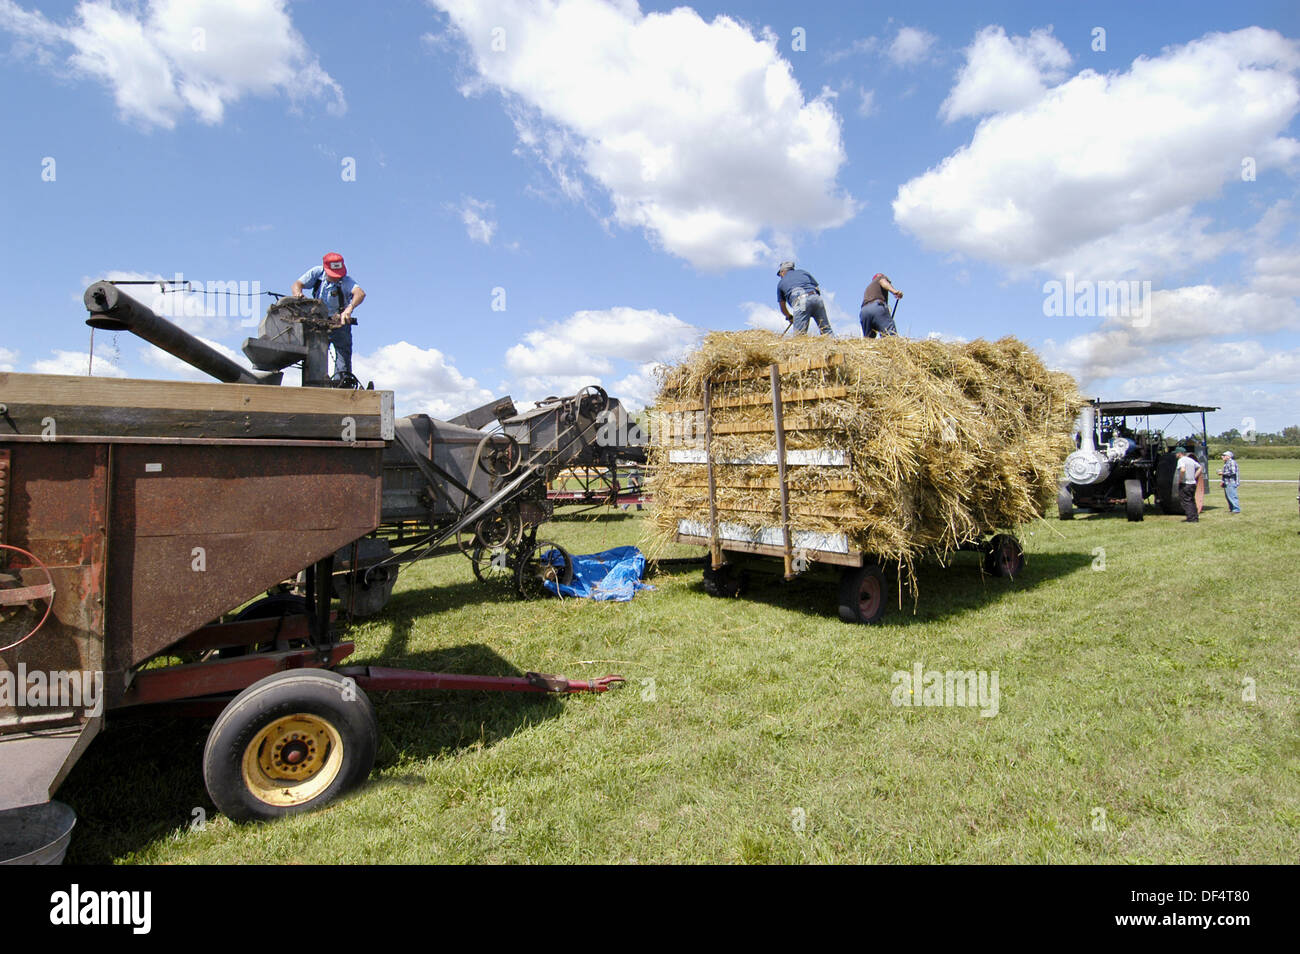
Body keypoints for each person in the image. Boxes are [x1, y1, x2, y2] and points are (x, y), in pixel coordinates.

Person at [292, 252, 365, 383]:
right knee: (315, 353)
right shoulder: (316, 273)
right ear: (325, 269)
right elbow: (297, 284)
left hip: (339, 323)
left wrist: (349, 308)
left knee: (343, 353)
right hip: (318, 323)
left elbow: (360, 293)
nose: (336, 278)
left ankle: (341, 382)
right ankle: (315, 383)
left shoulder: (346, 281)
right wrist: (298, 294)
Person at [776, 261, 832, 336]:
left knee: (799, 336)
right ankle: (834, 344)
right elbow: (816, 287)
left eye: (780, 274)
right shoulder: (803, 272)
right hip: (815, 297)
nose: (780, 276)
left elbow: (782, 307)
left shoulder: (781, 283)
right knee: (826, 330)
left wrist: (789, 317)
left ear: (782, 271)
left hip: (800, 302)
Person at [860, 272, 903, 337]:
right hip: (876, 307)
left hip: (864, 312)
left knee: (868, 340)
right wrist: (894, 291)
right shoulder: (880, 278)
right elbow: (883, 282)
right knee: (890, 336)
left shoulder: (869, 287)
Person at [1175, 447, 1204, 522]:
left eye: (1176, 453)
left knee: (1186, 502)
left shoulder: (1181, 460)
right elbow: (1200, 468)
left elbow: (1183, 469)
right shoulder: (1191, 460)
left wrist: (1180, 479)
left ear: (1179, 453)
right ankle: (1195, 517)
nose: (1175, 454)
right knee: (1192, 500)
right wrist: (1194, 476)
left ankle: (1191, 518)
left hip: (1185, 484)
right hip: (1193, 483)